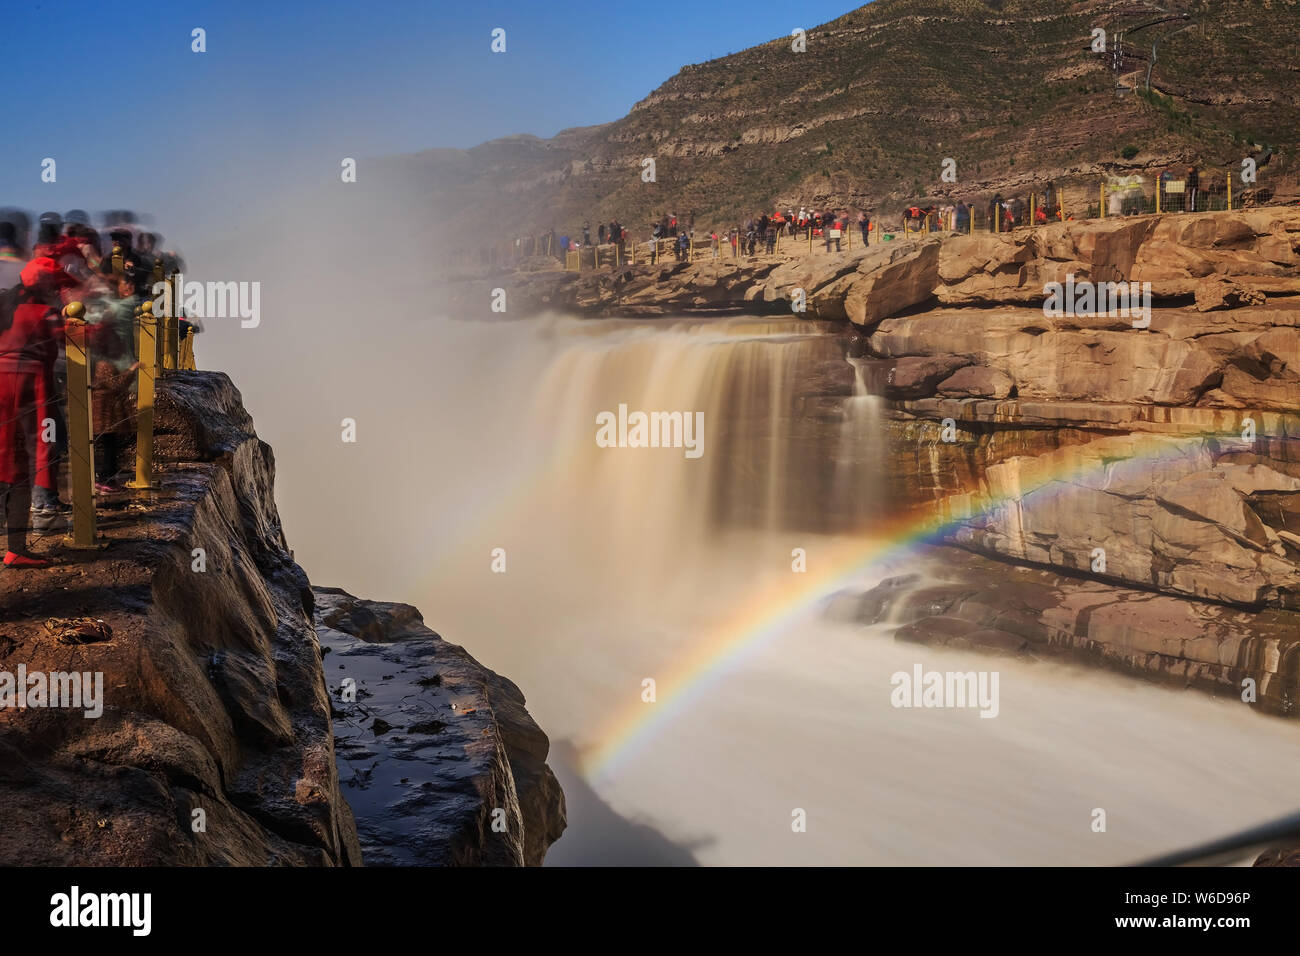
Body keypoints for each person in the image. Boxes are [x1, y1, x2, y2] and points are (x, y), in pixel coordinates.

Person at [0, 258, 74, 566]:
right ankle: (17, 546)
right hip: (31, 386)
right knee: (23, 468)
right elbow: (69, 343)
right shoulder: (46, 313)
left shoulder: (6, 305)